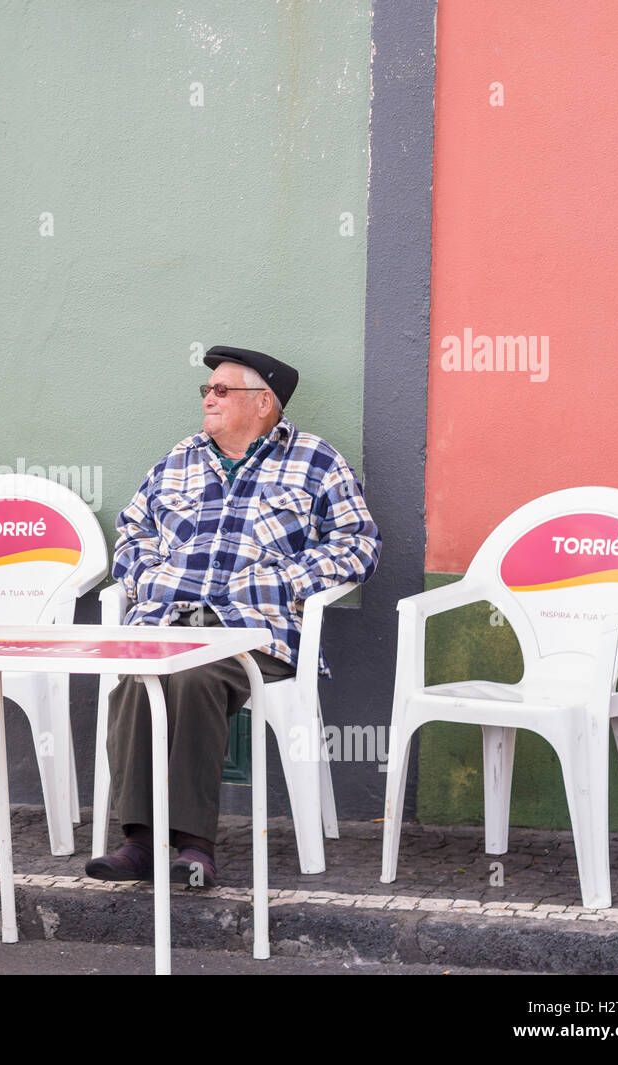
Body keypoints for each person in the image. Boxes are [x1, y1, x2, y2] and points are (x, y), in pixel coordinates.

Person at [86, 346, 381, 888]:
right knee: (135, 681)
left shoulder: (316, 461)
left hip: (252, 630)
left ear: (263, 403)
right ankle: (140, 841)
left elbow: (358, 546)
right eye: (207, 390)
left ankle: (193, 845)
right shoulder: (179, 458)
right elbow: (132, 532)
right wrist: (151, 577)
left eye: (222, 390)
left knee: (197, 676)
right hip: (169, 621)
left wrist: (286, 580)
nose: (209, 399)